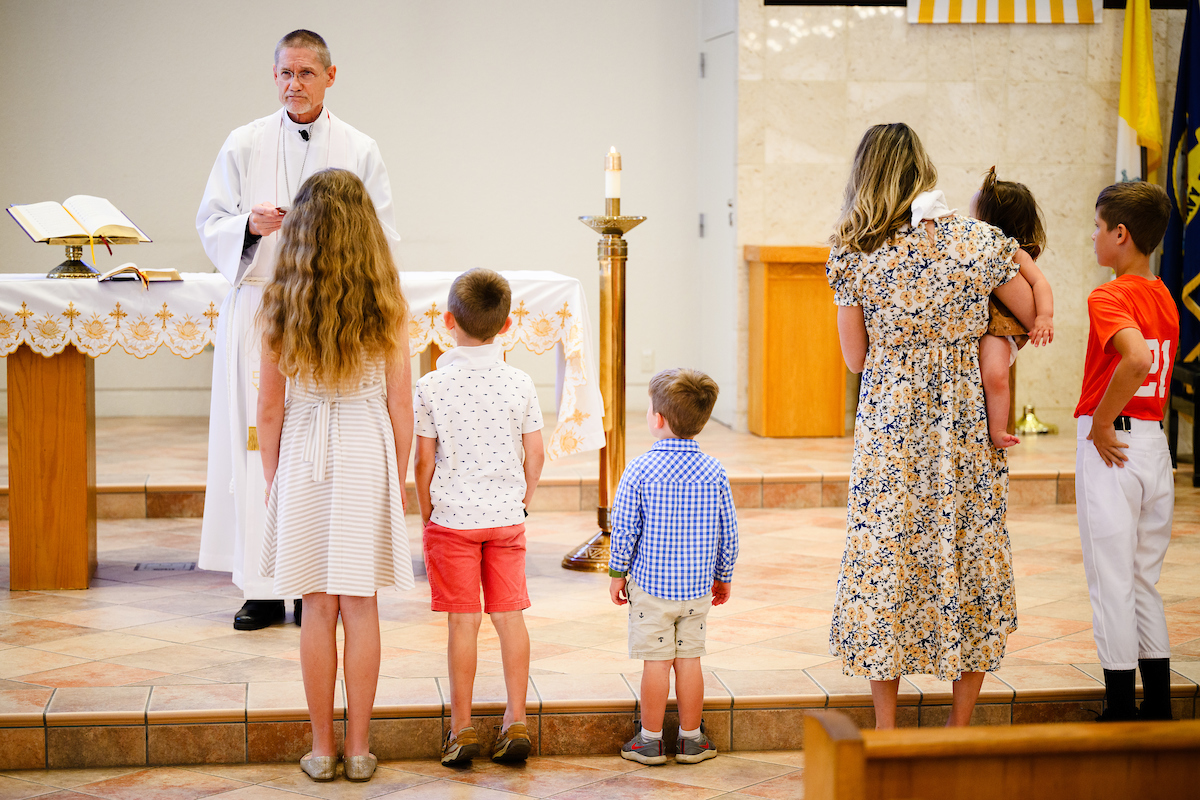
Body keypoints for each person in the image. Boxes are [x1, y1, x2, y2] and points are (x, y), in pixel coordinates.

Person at [826, 123, 1037, 729]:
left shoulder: (853, 251)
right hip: (962, 425)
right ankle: (958, 728)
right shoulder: (977, 242)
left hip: (891, 427)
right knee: (968, 555)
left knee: (884, 560)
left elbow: (855, 358)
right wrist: (984, 353)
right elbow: (1026, 315)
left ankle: (888, 729)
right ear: (923, 168)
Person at [196, 29, 401, 631]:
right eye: (284, 73)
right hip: (268, 308)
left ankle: (327, 573)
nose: (293, 84)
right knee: (257, 441)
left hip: (338, 312)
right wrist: (250, 228)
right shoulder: (244, 142)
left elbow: (382, 232)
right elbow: (211, 221)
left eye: (306, 73)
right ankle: (260, 586)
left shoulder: (360, 147)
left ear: (330, 77)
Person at [255, 168, 413, 782]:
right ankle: (359, 750)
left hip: (305, 450)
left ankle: (321, 749)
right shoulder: (387, 299)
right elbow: (402, 405)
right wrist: (394, 480)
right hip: (365, 446)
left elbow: (270, 407)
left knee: (317, 606)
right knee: (362, 604)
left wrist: (275, 479)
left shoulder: (282, 298)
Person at [414, 268, 545, 767]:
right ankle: (516, 720)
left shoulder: (432, 385)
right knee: (510, 618)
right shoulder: (520, 381)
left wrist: (428, 509)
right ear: (507, 325)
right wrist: (523, 497)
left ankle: (462, 728)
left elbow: (424, 461)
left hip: (453, 521)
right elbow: (535, 452)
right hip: (505, 517)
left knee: (463, 625)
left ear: (448, 321)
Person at [1075, 181, 1177, 721]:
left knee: (1110, 579)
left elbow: (1135, 359)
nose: (1093, 237)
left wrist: (1098, 421)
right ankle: (1158, 706)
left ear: (1121, 234)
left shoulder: (1108, 295)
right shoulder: (1163, 293)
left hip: (1114, 444)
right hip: (1154, 446)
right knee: (1142, 579)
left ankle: (1118, 707)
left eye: (1098, 227)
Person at [608, 368, 738, 765]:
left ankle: (649, 741)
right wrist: (723, 575)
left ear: (657, 419)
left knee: (656, 662)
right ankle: (691, 739)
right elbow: (727, 530)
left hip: (651, 588)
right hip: (697, 589)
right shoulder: (714, 470)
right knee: (690, 660)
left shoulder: (640, 468)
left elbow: (625, 526)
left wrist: (617, 573)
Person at [970, 167, 1055, 448]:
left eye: (975, 218)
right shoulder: (971, 247)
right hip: (976, 327)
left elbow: (1040, 282)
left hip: (998, 329)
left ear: (992, 223)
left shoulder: (1013, 251)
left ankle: (997, 429)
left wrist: (1044, 316)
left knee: (994, 375)